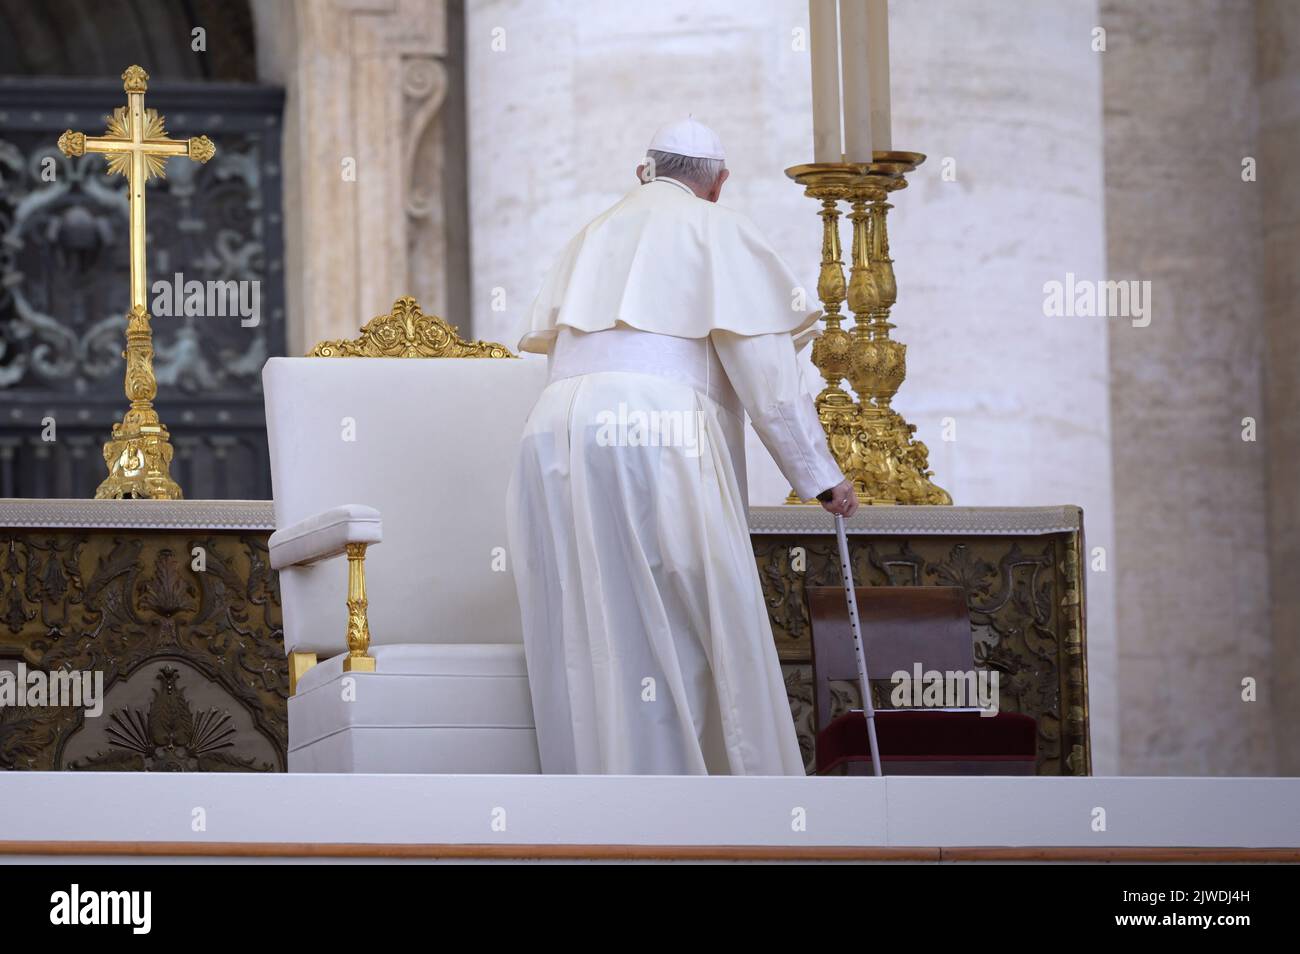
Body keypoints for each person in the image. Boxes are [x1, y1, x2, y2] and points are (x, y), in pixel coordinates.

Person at [506, 117, 858, 776]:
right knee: (701, 623)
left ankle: (609, 808)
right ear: (717, 184)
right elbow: (769, 382)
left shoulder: (593, 231)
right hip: (656, 430)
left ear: (646, 170)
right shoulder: (718, 228)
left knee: (593, 633)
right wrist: (820, 475)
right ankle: (717, 814)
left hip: (552, 435)